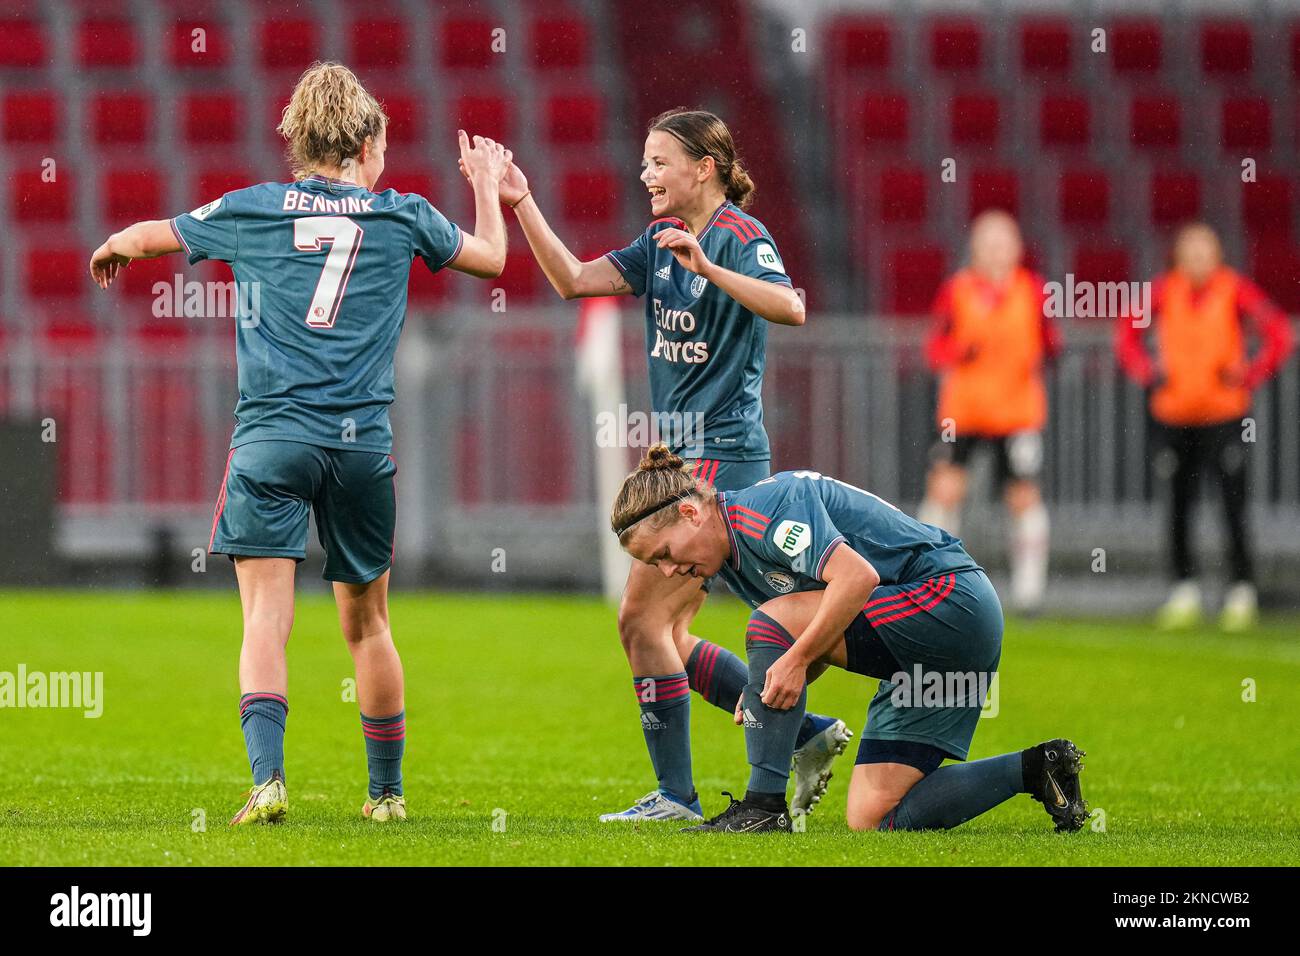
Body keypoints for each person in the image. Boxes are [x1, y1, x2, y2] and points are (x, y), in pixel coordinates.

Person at [88, 62, 511, 824]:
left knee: (264, 619)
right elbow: (492, 259)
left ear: (297, 139)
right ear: (368, 140)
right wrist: (487, 184)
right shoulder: (402, 214)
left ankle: (269, 782)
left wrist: (116, 243)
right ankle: (386, 796)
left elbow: (158, 233)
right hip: (358, 447)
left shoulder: (252, 207)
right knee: (369, 623)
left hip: (271, 441)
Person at [480, 109, 851, 821]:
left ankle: (679, 796)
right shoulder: (657, 241)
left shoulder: (741, 236)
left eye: (658, 162)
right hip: (680, 462)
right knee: (665, 632)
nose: (644, 173)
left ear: (703, 169)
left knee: (641, 624)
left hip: (723, 461)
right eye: (644, 161)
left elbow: (792, 308)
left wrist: (710, 268)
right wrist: (521, 202)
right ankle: (802, 733)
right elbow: (575, 281)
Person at [612, 445, 1089, 834]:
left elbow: (855, 578)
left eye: (666, 553)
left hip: (950, 599)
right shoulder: (731, 558)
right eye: (658, 565)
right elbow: (822, 624)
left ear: (692, 512)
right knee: (875, 817)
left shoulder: (762, 510)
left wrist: (794, 661)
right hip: (937, 641)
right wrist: (773, 679)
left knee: (767, 624)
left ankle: (762, 808)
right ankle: (1037, 768)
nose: (671, 570)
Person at [1116, 222, 1293, 631]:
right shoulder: (1162, 290)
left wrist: (1250, 374)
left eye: (1204, 250)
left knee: (1233, 503)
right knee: (1178, 505)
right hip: (1173, 416)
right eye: (1189, 251)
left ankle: (1241, 590)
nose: (1196, 259)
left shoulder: (1235, 289)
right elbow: (1126, 335)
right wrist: (1147, 370)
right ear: (1177, 256)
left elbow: (1278, 332)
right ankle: (1184, 589)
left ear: (1217, 255)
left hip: (1224, 415)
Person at [917, 210, 1060, 614]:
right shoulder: (956, 291)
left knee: (1023, 495)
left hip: (1016, 415)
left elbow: (1052, 344)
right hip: (962, 413)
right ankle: (932, 582)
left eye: (1004, 244)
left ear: (1017, 250)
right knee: (945, 490)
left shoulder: (1033, 291)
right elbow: (934, 349)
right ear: (975, 250)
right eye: (989, 244)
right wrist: (960, 352)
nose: (997, 253)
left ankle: (1029, 594)